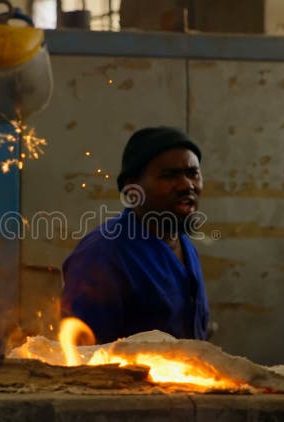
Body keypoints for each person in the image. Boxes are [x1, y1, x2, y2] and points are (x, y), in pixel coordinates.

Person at [61, 126, 209, 344]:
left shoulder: (183, 244)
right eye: (169, 176)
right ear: (132, 188)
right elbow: (81, 358)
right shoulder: (103, 255)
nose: (187, 185)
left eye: (192, 174)